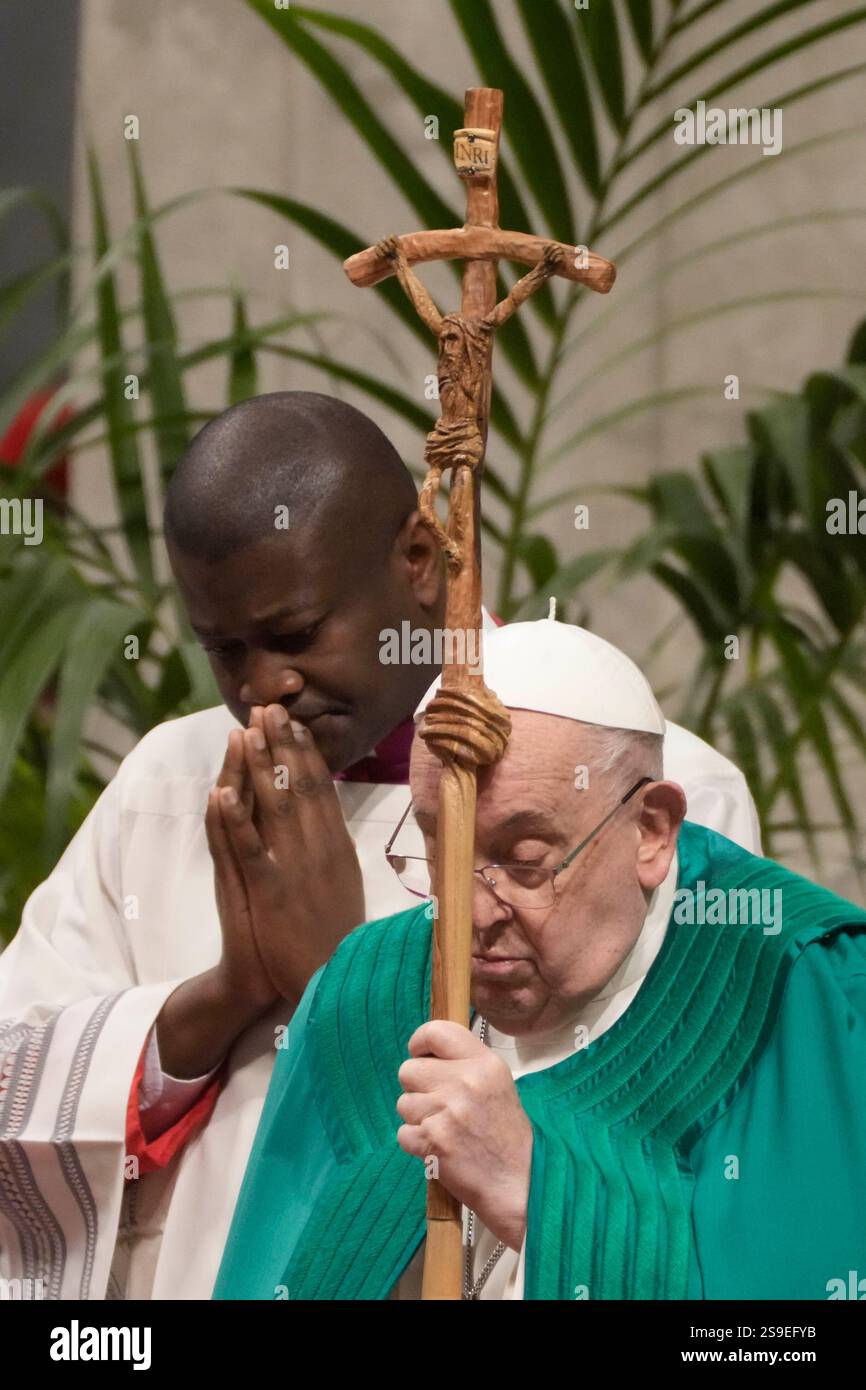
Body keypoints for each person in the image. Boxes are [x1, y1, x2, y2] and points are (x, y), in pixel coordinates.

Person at [0, 393, 759, 1301]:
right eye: (223, 649)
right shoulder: (170, 782)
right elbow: (18, 1083)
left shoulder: (643, 788)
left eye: (295, 635)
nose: (264, 689)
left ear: (417, 559)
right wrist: (232, 990)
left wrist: (338, 980)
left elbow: (663, 1158)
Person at [215, 616, 866, 1301]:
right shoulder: (364, 995)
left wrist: (539, 1195)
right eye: (441, 851)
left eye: (524, 863)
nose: (471, 917)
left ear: (651, 831)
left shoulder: (806, 992)